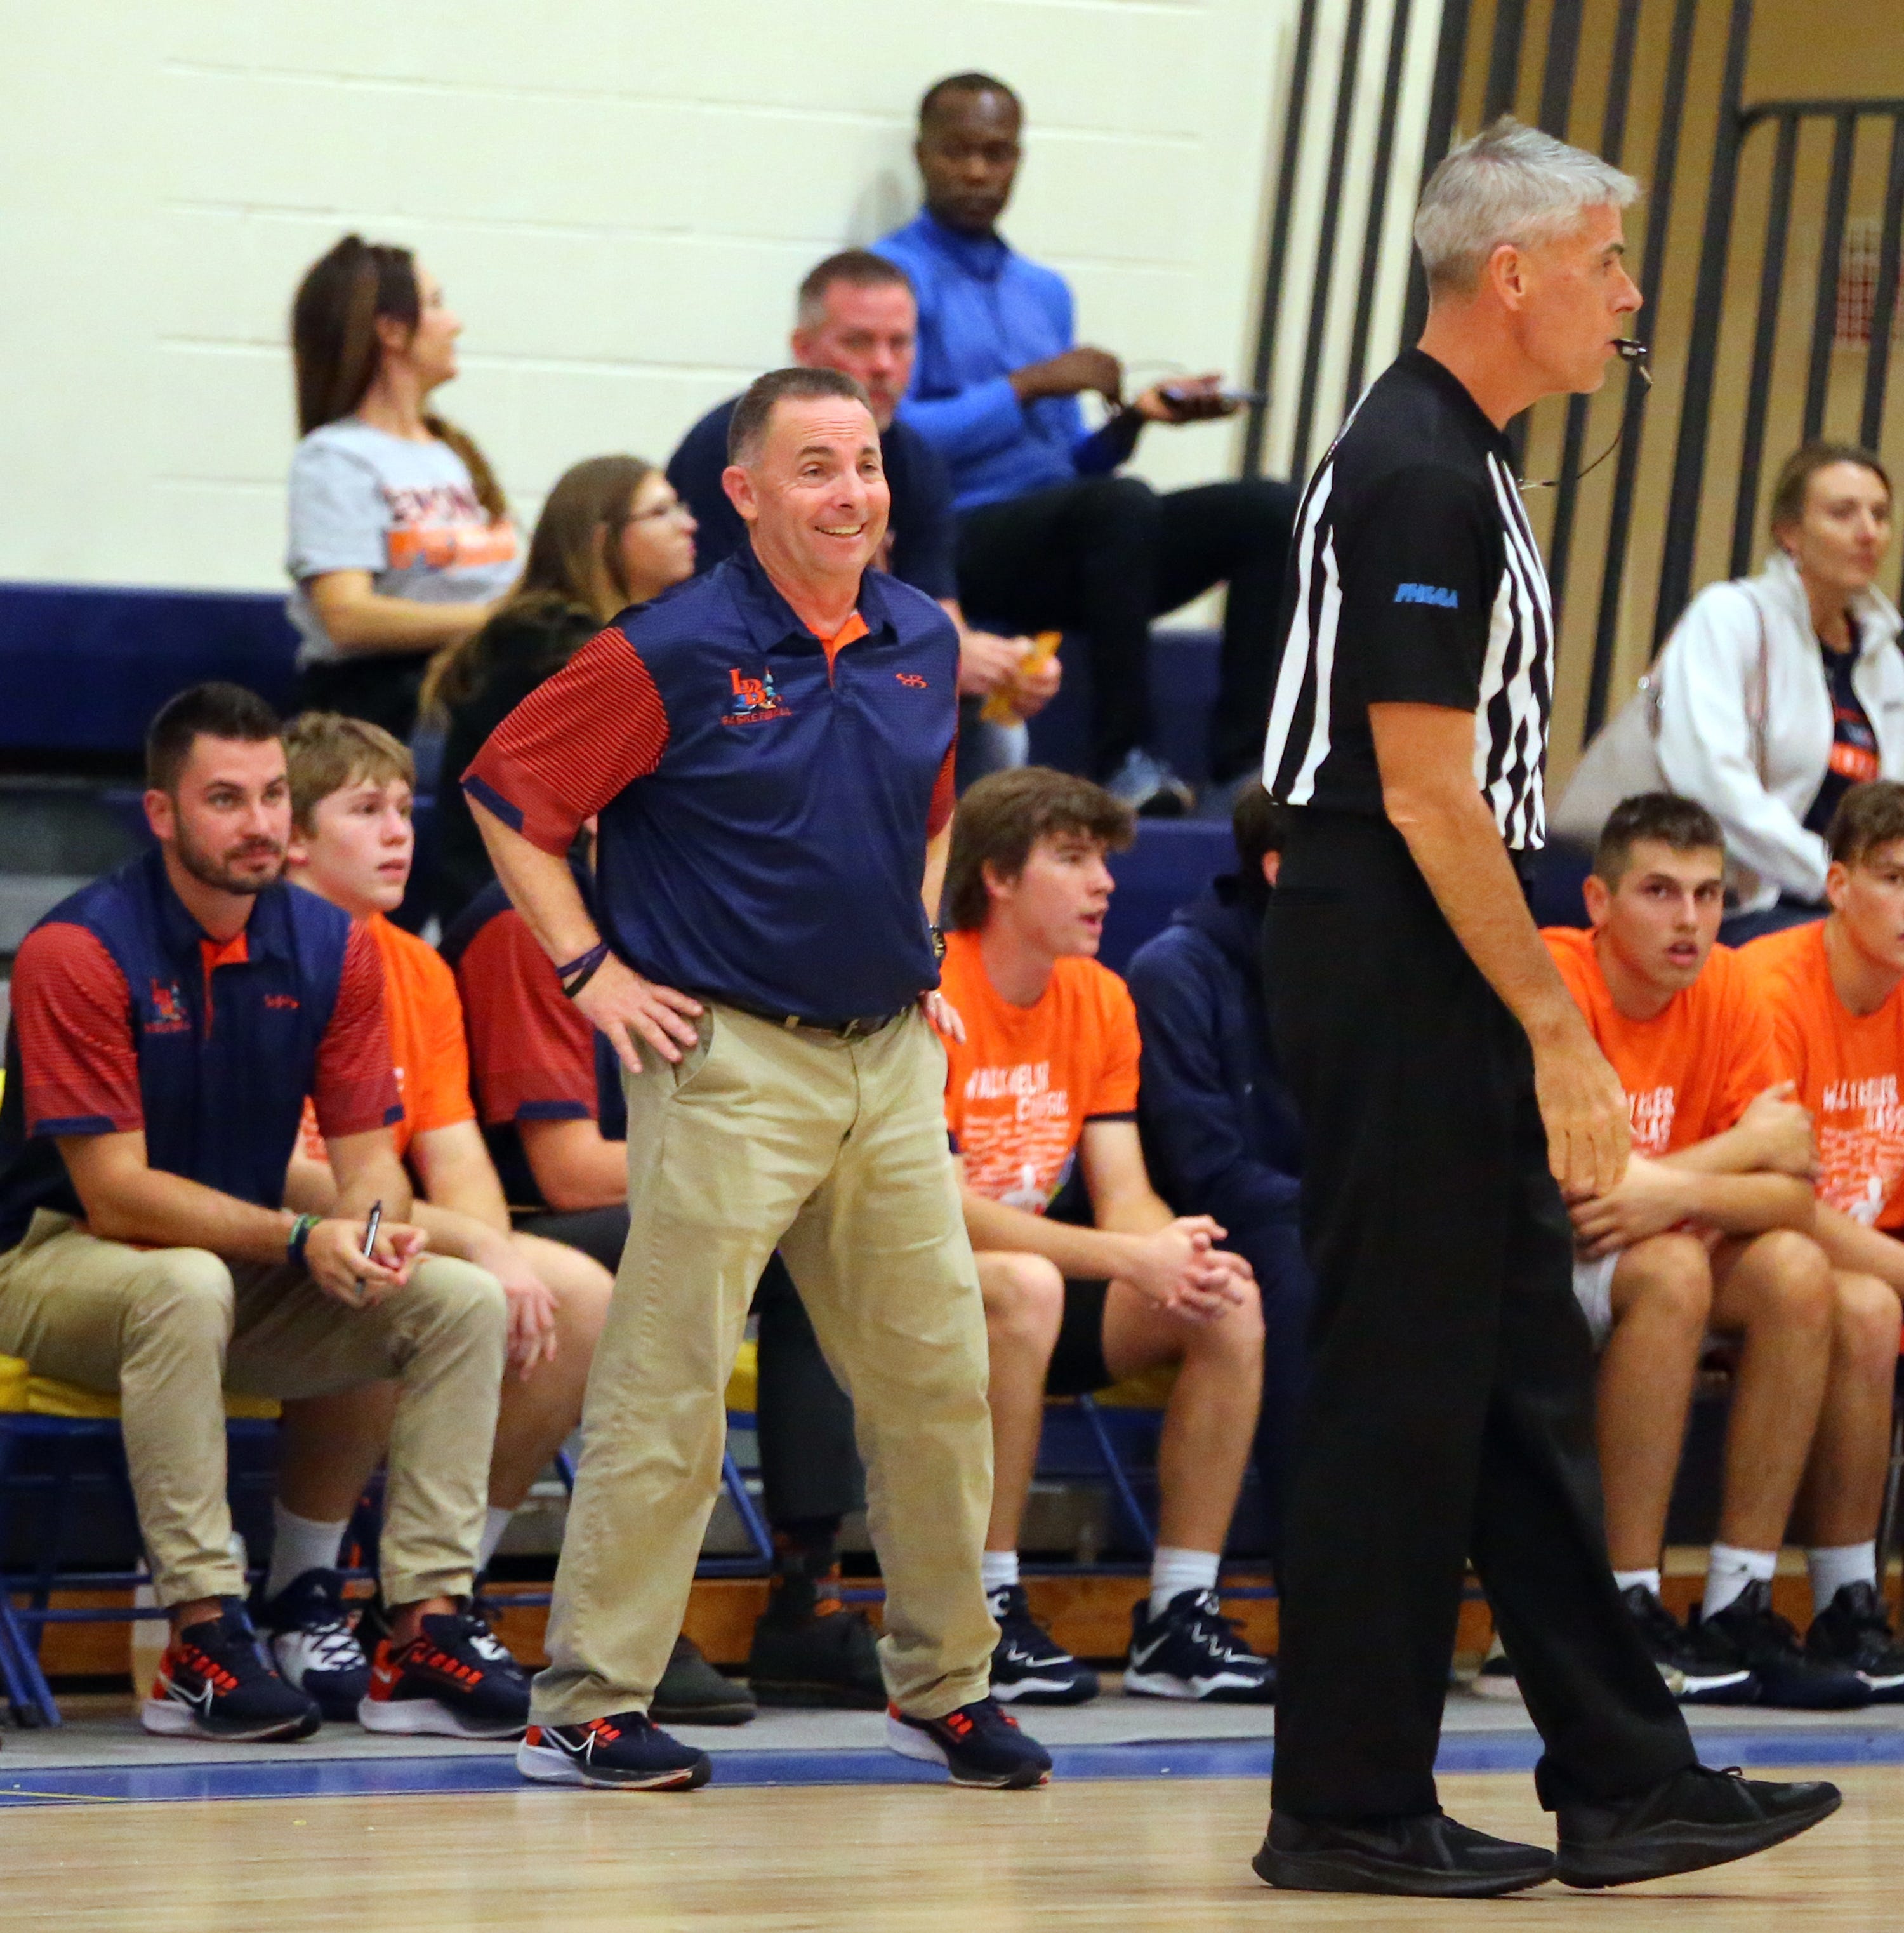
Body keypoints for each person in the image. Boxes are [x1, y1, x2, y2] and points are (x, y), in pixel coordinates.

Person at [1256, 119, 1837, 1896]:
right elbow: (1427, 792)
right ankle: (1346, 1806)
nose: (1630, 294)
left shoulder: (1459, 451)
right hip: (1394, 922)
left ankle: (1623, 1767)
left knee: (1516, 1379)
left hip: (1419, 921)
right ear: (1512, 275)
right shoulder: (1422, 466)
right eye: (1606, 260)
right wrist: (1561, 1027)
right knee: (1400, 1389)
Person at [463, 366, 1050, 1793]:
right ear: (744, 493)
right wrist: (591, 969)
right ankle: (586, 1703)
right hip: (728, 1056)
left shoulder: (920, 634)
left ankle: (942, 1687)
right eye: (815, 469)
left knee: (937, 1376)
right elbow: (508, 794)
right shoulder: (667, 645)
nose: (851, 493)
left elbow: (928, 808)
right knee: (666, 1387)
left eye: (864, 465)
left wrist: (915, 944)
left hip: (889, 1063)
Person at [0, 683, 521, 1744]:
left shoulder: (335, 948)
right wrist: (300, 1238)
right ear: (163, 815)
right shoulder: (79, 949)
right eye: (227, 799)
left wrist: (371, 1241)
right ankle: (202, 1637)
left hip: (226, 1264)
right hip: (54, 1261)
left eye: (275, 796)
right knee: (182, 1280)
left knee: (460, 1300)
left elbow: (371, 1161)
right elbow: (117, 1193)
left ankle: (421, 1627)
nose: (261, 824)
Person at [225, 713, 614, 1720]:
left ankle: (431, 1604)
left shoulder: (416, 964)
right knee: (393, 1270)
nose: (400, 832)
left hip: (381, 1220)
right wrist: (477, 1247)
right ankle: (301, 1589)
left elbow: (454, 1153)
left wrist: (501, 1247)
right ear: (295, 838)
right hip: (258, 1236)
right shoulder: (244, 951)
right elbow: (285, 1172)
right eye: (366, 811)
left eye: (406, 808)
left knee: (578, 1294)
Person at [444, 870, 887, 1715]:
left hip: (651, 1202)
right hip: (521, 1230)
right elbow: (567, 1170)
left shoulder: (691, 913)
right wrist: (770, 1164)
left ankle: (806, 1592)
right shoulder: (522, 926)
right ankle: (634, 1612)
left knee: (807, 1244)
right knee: (743, 1237)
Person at [1517, 793, 1867, 1710]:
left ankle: (1737, 1605)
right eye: (1662, 892)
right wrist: (1726, 1158)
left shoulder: (1727, 988)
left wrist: (1668, 1188)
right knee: (1674, 1269)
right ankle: (1621, 1603)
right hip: (1539, 1261)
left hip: (1648, 1241)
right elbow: (1581, 1189)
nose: (1690, 920)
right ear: (1598, 901)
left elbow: (1794, 1187)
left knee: (1798, 1270)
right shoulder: (1555, 979)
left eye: (1710, 895)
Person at [875, 73, 1300, 816]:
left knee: (1268, 509)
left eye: (998, 154)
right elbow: (898, 439)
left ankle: (1242, 770)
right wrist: (1028, 383)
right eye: (959, 151)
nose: (978, 171)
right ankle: (1126, 760)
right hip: (965, 539)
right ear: (923, 154)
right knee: (1118, 507)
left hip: (1071, 530)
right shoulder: (893, 278)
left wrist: (1134, 422)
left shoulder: (1044, 289)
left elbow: (1072, 464)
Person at [937, 767, 1271, 1706]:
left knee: (1227, 1297)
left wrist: (1173, 1253)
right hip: (904, 1281)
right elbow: (938, 1210)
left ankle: (1178, 1618)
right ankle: (982, 1609)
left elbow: (1123, 1192)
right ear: (999, 877)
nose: (1105, 885)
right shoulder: (933, 988)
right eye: (1073, 860)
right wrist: (1130, 1256)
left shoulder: (1098, 997)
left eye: (1105, 862)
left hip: (1035, 1279)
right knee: (1026, 1287)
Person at [667, 248, 1059, 785]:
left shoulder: (917, 461)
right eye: (858, 342)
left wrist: (996, 664)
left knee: (995, 721)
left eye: (899, 343)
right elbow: (706, 630)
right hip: (741, 685)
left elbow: (937, 611)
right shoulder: (729, 446)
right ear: (802, 350)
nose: (882, 365)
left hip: (855, 680)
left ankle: (953, 868)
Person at [1741, 779, 1904, 1692]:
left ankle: (1850, 1610)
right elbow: (1771, 1194)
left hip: (1861, 1254)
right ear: (1837, 884)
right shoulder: (1771, 985)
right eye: (1894, 878)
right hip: (1741, 1242)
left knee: (1875, 1301)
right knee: (1870, 1304)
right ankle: (1811, 1598)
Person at [1125, 783, 1312, 1574]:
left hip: (1318, 1213)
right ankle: (1324, 1566)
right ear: (1279, 868)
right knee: (1299, 1264)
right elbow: (1206, 1170)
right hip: (1214, 1224)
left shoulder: (1366, 969)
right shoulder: (1176, 970)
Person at [424, 456, 698, 926]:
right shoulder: (548, 648)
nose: (688, 524)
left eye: (680, 507)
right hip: (514, 913)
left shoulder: (596, 637)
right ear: (601, 540)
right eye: (661, 512)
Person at [1655, 442, 1901, 945]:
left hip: (1851, 908)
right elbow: (1712, 783)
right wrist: (1833, 877)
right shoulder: (1730, 616)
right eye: (1843, 512)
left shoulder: (1885, 659)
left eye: (1880, 514)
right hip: (1735, 904)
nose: (1868, 531)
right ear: (1789, 532)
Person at [287, 234, 519, 741]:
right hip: (385, 710)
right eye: (436, 304)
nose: (455, 323)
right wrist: (497, 621)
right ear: (391, 330)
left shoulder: (452, 452)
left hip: (474, 685)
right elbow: (346, 615)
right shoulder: (336, 457)